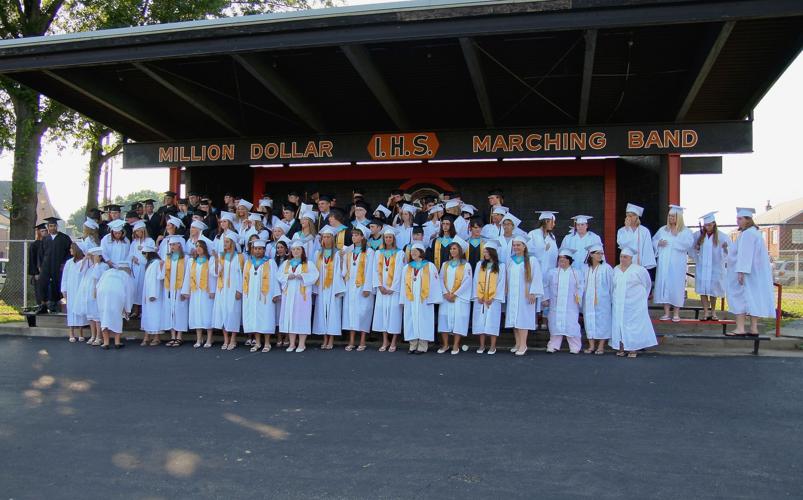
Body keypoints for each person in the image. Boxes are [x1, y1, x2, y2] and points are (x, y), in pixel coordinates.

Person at [726, 207, 776, 336]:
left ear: (748, 220)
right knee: (753, 298)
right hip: (755, 273)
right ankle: (754, 328)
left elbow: (745, 254)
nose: (737, 221)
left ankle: (740, 328)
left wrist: (741, 271)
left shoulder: (747, 234)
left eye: (740, 218)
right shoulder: (755, 233)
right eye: (737, 218)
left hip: (745, 273)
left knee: (740, 297)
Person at [611, 245, 656, 358]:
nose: (622, 259)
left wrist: (641, 298)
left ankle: (633, 348)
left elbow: (647, 284)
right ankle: (621, 347)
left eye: (625, 257)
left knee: (633, 325)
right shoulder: (616, 269)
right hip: (619, 303)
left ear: (631, 258)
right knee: (619, 324)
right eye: (621, 256)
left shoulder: (639, 270)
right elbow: (613, 286)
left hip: (634, 304)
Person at [652, 205, 694, 321]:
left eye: (673, 216)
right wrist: (658, 243)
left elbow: (688, 244)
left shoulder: (685, 231)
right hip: (664, 263)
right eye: (669, 216)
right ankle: (666, 313)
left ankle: (676, 313)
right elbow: (654, 240)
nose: (671, 218)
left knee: (676, 286)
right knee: (665, 284)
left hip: (677, 264)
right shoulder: (663, 230)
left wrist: (676, 238)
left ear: (678, 217)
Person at [400, 242, 443, 354]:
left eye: (415, 251)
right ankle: (413, 344)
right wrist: (403, 299)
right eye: (412, 251)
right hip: (411, 299)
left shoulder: (429, 266)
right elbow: (403, 284)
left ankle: (423, 345)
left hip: (424, 299)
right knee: (410, 320)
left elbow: (435, 283)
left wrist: (433, 299)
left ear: (421, 252)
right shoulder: (407, 267)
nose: (413, 253)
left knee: (424, 320)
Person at [277, 240, 320, 352]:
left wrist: (303, 276)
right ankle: (292, 344)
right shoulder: (286, 263)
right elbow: (279, 275)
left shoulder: (308, 263)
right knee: (290, 318)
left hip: (302, 296)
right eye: (294, 249)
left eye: (298, 249)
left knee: (302, 318)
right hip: (289, 295)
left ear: (302, 251)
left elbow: (315, 275)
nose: (295, 251)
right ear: (291, 251)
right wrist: (287, 276)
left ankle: (301, 344)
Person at [505, 236, 544, 356]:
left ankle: (523, 345)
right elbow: (507, 277)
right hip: (513, 295)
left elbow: (536, 277)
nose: (516, 247)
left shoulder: (531, 260)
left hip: (525, 295)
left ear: (524, 246)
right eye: (514, 245)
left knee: (522, 320)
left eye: (518, 245)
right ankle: (517, 343)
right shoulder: (511, 260)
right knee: (514, 320)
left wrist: (533, 292)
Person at [542, 248, 585, 354]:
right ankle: (553, 345)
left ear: (569, 260)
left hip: (571, 304)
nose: (562, 260)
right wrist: (545, 298)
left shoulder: (576, 273)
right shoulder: (552, 272)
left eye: (564, 258)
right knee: (554, 324)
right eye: (560, 258)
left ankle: (575, 347)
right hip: (555, 304)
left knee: (571, 324)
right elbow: (545, 286)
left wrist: (578, 298)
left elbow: (581, 287)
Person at [242, 239, 281, 353]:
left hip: (266, 296)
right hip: (251, 295)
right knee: (254, 318)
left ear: (264, 250)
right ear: (253, 250)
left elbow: (275, 279)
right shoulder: (248, 262)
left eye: (260, 249)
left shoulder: (270, 262)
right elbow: (244, 279)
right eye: (255, 249)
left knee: (266, 317)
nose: (257, 251)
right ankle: (258, 342)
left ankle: (267, 343)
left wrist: (276, 294)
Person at [312, 227, 346, 349]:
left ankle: (331, 339)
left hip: (333, 287)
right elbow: (314, 271)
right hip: (321, 287)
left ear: (332, 238)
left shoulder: (337, 253)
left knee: (333, 312)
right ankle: (324, 338)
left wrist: (337, 288)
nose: (326, 239)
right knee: (321, 312)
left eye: (328, 237)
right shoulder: (317, 253)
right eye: (324, 237)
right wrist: (315, 289)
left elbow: (340, 272)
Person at [437, 237, 473, 354]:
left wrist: (455, 294)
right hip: (446, 297)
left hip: (459, 298)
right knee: (443, 319)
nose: (452, 251)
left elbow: (467, 282)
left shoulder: (466, 265)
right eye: (451, 249)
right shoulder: (445, 264)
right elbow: (440, 279)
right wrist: (445, 293)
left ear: (460, 250)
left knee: (459, 320)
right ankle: (445, 344)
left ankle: (456, 345)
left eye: (454, 249)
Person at [372, 227, 405, 352]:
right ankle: (385, 341)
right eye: (386, 237)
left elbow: (400, 271)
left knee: (394, 314)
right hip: (382, 289)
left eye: (390, 237)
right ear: (384, 239)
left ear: (393, 239)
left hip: (394, 290)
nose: (388, 239)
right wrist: (380, 286)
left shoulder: (400, 253)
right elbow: (375, 270)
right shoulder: (378, 253)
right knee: (382, 314)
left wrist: (393, 288)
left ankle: (394, 341)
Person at [691, 212, 729, 320]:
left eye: (709, 225)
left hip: (715, 267)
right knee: (703, 290)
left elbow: (728, 252)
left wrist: (725, 248)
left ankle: (713, 312)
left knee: (713, 290)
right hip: (702, 267)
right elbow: (691, 248)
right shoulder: (698, 235)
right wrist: (696, 251)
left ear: (714, 224)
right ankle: (706, 312)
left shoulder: (722, 236)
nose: (707, 227)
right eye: (705, 225)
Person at [342, 225, 375, 352]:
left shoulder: (369, 252)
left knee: (363, 313)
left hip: (363, 286)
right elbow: (344, 270)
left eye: (356, 235)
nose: (353, 237)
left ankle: (362, 341)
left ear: (362, 237)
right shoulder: (349, 251)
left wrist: (367, 287)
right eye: (353, 235)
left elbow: (370, 270)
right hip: (350, 285)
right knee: (350, 313)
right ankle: (351, 341)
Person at [472, 240, 506, 354]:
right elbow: (475, 280)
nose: (485, 254)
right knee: (480, 321)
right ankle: (482, 345)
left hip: (493, 299)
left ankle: (492, 346)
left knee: (492, 321)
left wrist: (493, 297)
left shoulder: (501, 266)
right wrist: (478, 295)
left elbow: (501, 283)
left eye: (487, 252)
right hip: (481, 299)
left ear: (492, 252)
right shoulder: (480, 264)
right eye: (484, 252)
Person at [213, 230, 244, 350]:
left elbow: (242, 275)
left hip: (234, 289)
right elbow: (216, 273)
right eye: (224, 242)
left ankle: (233, 339)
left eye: (227, 242)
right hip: (222, 289)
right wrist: (216, 261)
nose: (224, 244)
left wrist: (239, 290)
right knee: (222, 312)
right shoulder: (221, 256)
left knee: (233, 313)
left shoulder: (240, 257)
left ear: (232, 243)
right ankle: (226, 339)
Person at [183, 240, 217, 348]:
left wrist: (212, 290)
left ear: (205, 248)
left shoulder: (210, 260)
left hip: (206, 292)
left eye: (200, 246)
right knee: (197, 314)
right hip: (195, 292)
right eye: (196, 246)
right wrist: (186, 291)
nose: (198, 248)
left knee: (207, 314)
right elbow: (187, 276)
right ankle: (199, 339)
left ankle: (209, 338)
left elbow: (213, 276)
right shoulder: (192, 261)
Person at [582, 243, 614, 354]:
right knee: (589, 321)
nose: (600, 255)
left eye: (601, 253)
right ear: (591, 254)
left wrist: (612, 300)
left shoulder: (607, 268)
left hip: (603, 300)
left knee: (603, 321)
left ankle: (601, 346)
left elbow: (611, 286)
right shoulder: (585, 268)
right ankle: (591, 346)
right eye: (597, 253)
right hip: (588, 300)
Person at [96, 260, 135, 349]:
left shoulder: (107, 272)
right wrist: (127, 309)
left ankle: (106, 342)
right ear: (127, 270)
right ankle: (117, 342)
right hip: (117, 294)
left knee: (105, 316)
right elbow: (129, 293)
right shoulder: (126, 276)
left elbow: (98, 286)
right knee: (117, 316)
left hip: (103, 293)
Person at [160, 235, 190, 348]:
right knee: (170, 311)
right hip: (169, 289)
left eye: (173, 244)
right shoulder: (168, 257)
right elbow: (162, 274)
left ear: (179, 245)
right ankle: (173, 336)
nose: (171, 246)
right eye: (170, 245)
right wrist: (161, 266)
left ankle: (179, 336)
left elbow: (187, 275)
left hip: (180, 289)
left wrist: (185, 291)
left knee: (179, 311)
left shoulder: (186, 258)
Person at [37, 217, 72, 313]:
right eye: (51, 226)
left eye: (54, 226)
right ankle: (43, 305)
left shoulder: (64, 238)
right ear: (48, 227)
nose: (52, 228)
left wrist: (65, 264)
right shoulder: (45, 239)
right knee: (43, 284)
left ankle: (56, 305)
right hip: (46, 266)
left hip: (59, 266)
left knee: (57, 284)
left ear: (57, 226)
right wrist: (40, 266)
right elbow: (40, 254)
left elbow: (69, 253)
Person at [60, 242, 89, 342]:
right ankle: (71, 333)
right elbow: (64, 277)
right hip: (71, 290)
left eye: (72, 249)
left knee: (80, 310)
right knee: (71, 310)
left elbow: (83, 273)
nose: (70, 250)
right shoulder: (69, 263)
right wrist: (64, 290)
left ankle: (81, 333)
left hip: (80, 289)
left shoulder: (85, 262)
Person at [80, 247, 108, 346]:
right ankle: (93, 335)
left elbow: (97, 276)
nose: (92, 258)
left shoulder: (103, 266)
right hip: (89, 294)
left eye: (94, 256)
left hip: (98, 294)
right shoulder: (91, 267)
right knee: (91, 316)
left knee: (97, 316)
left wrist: (96, 264)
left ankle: (99, 337)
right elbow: (80, 271)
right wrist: (85, 259)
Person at [617, 203, 657, 270]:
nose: (629, 218)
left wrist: (645, 265)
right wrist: (627, 229)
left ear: (636, 217)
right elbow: (621, 244)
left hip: (639, 263)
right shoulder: (621, 230)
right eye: (627, 216)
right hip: (626, 263)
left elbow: (647, 248)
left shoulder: (644, 231)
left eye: (631, 216)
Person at [128, 220, 155, 319]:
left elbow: (151, 254)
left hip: (144, 268)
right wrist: (133, 258)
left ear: (143, 230)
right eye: (136, 232)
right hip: (135, 268)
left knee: (143, 288)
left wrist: (141, 260)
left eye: (139, 231)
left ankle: (143, 310)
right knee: (135, 288)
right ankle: (135, 310)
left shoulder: (150, 241)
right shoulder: (134, 242)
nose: (137, 233)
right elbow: (130, 253)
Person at [139, 240, 164, 346]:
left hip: (154, 294)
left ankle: (156, 337)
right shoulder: (150, 264)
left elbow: (157, 279)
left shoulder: (156, 263)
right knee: (147, 314)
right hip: (147, 292)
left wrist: (153, 294)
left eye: (144, 253)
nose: (144, 256)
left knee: (155, 315)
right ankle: (147, 336)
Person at [28, 223, 47, 312]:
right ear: (38, 232)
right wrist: (35, 273)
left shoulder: (48, 243)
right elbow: (32, 260)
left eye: (45, 231)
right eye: (42, 231)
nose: (45, 232)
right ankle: (40, 306)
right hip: (38, 272)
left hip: (47, 271)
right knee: (39, 291)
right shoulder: (34, 245)